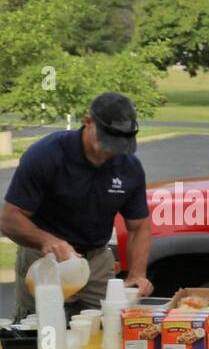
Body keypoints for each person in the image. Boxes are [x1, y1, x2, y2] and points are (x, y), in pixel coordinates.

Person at [2, 92, 153, 317]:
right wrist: (47, 241)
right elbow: (9, 218)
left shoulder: (129, 167)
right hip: (46, 260)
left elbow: (139, 226)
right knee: (41, 331)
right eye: (107, 142)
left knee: (107, 328)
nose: (112, 150)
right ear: (88, 121)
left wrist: (137, 274)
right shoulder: (47, 154)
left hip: (97, 261)